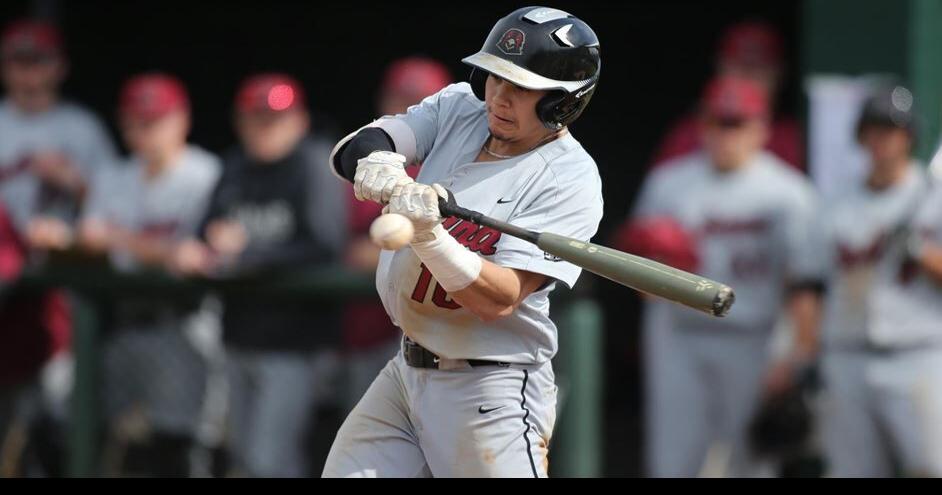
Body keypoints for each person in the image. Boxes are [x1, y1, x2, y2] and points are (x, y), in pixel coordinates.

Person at [322, 6, 603, 477]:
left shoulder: (569, 178)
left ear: (563, 101)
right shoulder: (459, 107)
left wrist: (431, 237)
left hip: (491, 390)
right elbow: (362, 145)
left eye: (521, 87)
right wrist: (385, 168)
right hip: (405, 374)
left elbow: (500, 298)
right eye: (494, 78)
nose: (499, 97)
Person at [618, 76, 821, 477]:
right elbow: (636, 273)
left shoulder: (788, 192)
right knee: (673, 460)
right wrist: (652, 269)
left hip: (752, 335)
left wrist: (794, 354)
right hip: (680, 335)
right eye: (718, 122)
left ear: (761, 127)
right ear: (702, 124)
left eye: (737, 123)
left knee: (752, 461)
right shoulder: (669, 183)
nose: (726, 134)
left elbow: (805, 283)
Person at [172, 73, 346, 477]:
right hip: (238, 332)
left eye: (275, 118)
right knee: (243, 458)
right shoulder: (235, 166)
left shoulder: (312, 166)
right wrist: (197, 249)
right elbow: (204, 231)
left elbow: (324, 245)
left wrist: (248, 253)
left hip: (295, 342)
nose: (264, 128)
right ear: (240, 121)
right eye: (256, 118)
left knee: (272, 459)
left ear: (299, 120)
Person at [78, 73, 221, 476]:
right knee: (105, 440)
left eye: (155, 120)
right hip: (122, 324)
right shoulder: (112, 175)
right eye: (136, 122)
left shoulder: (206, 173)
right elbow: (90, 240)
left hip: (185, 321)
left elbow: (193, 256)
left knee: (184, 447)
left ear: (181, 120)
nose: (145, 132)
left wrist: (119, 240)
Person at [818, 84, 942, 477]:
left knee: (930, 467)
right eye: (874, 129)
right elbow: (808, 283)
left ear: (908, 136)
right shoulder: (836, 204)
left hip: (917, 352)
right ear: (860, 135)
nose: (882, 139)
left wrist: (922, 254)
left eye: (892, 129)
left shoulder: (933, 196)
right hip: (846, 352)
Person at [341, 56, 451, 409]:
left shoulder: (459, 166)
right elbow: (333, 245)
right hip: (366, 332)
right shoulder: (364, 165)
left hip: (441, 337)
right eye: (400, 98)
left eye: (421, 100)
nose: (408, 109)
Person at [651, 21, 803, 170]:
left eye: (758, 69)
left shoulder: (791, 138)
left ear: (778, 72)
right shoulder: (687, 135)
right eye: (739, 67)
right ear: (721, 66)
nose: (747, 77)